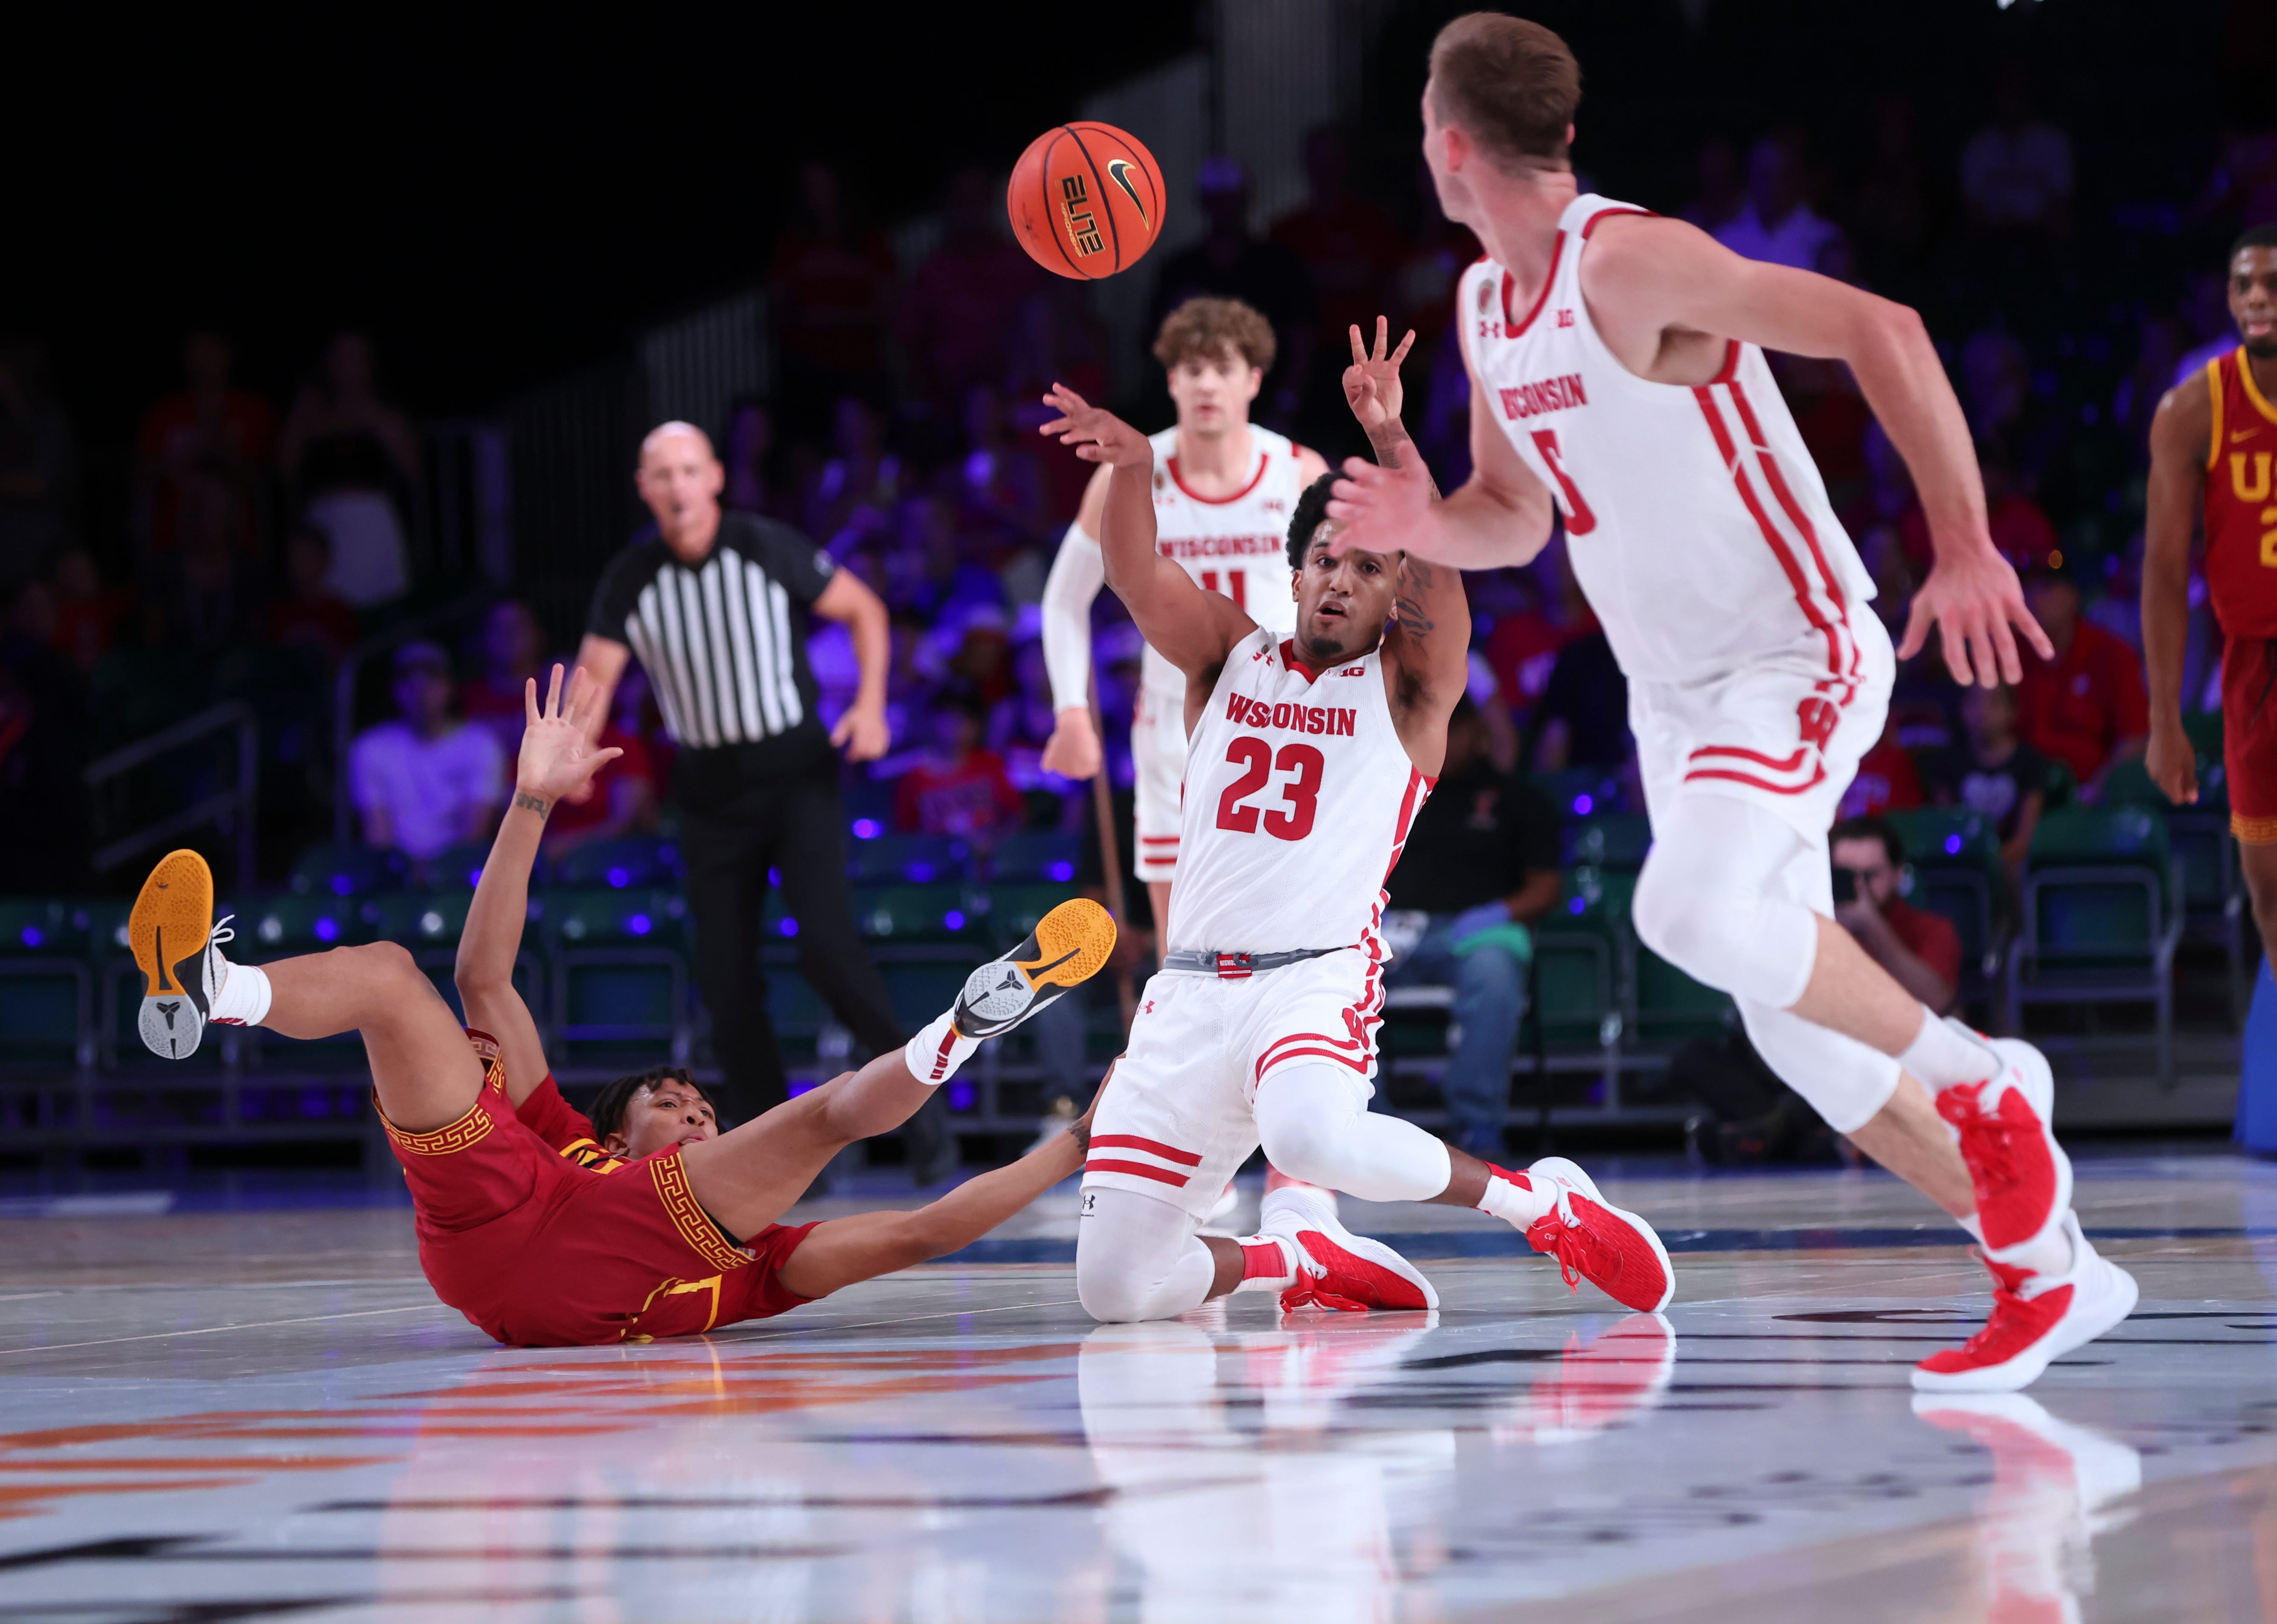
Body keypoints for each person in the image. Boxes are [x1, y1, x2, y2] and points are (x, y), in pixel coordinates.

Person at [1324, 13, 2133, 1392]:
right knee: (1787, 1021)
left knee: (1684, 914)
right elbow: (1514, 516)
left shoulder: (1629, 261)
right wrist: (1416, 502)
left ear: (1449, 146)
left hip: (1792, 651)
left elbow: (1879, 324)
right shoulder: (1478, 308)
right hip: (1671, 694)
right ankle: (2049, 1267)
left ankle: (1987, 1082)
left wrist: (1959, 541)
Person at [119, 669, 1123, 1346]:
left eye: (700, 1109)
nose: (692, 1106)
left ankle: (956, 1028)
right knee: (388, 970)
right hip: (497, 1223)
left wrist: (1072, 1144)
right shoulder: (550, 1129)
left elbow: (919, 1232)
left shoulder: (759, 1255)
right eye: (675, 1099)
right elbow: (482, 971)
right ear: (613, 1120)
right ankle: (213, 990)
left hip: (623, 1253)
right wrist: (533, 799)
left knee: (822, 1112)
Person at [1036, 319, 1675, 1326]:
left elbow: (1443, 597)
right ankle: (1294, 1259)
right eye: (1327, 561)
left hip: (1309, 972)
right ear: (1294, 575)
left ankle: (1542, 1202)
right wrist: (1128, 470)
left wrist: (1390, 444)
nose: (1340, 577)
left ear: (1394, 598)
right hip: (1188, 992)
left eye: (1371, 569)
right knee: (1113, 1288)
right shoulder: (1223, 653)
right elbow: (1131, 575)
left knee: (1312, 1140)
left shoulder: (1409, 690)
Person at [571, 424, 927, 1149]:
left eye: (689, 471)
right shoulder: (631, 578)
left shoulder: (764, 544)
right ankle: (769, 1146)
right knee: (725, 977)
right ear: (645, 488)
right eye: (662, 474)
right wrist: (572, 750)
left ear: (715, 478)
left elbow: (865, 608)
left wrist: (868, 703)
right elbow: (594, 682)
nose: (676, 487)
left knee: (830, 951)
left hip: (796, 773)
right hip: (708, 790)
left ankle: (927, 1121)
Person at [1039, 298, 1330, 935]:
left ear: (1253, 380)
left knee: (1286, 934)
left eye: (1222, 367)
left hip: (1286, 721)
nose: (1205, 383)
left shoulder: (1299, 473)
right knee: (1184, 947)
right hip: (1174, 726)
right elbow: (1064, 599)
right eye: (1191, 369)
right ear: (1170, 379)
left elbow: (1354, 598)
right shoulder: (1132, 473)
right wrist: (1070, 711)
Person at [2145, 223, 2277, 1146]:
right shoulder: (2192, 409)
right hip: (2251, 664)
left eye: (2270, 283)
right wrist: (2162, 720)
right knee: (2265, 881)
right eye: (2242, 284)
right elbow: (2160, 571)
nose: (2256, 298)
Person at [1380, 693, 1564, 1155]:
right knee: (1333, 972)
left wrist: (1495, 915)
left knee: (1495, 970)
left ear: (1479, 731)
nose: (1445, 736)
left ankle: (1476, 1126)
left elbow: (1545, 887)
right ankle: (1364, 1126)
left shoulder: (1518, 798)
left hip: (1475, 935)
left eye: (1456, 725)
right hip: (1390, 929)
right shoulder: (1390, 788)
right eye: (1437, 722)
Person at [1147, 160, 1319, 428]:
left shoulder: (1280, 265)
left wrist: (1287, 402)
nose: (1225, 209)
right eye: (1217, 200)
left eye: (1231, 200)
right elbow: (1156, 344)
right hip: (1198, 405)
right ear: (1203, 203)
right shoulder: (1180, 270)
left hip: (1268, 404)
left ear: (1246, 200)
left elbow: (1302, 338)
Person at [279, 333, 418, 610]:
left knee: (380, 603)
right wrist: (300, 419)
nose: (348, 366)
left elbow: (412, 470)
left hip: (372, 520)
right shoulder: (312, 413)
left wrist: (383, 428)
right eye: (341, 358)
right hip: (325, 524)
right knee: (328, 602)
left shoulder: (385, 413)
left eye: (356, 358)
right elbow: (284, 468)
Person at [348, 641, 506, 868]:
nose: (420, 687)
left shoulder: (482, 744)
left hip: (461, 873)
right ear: (394, 690)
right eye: (408, 679)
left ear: (450, 686)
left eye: (432, 677)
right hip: (396, 875)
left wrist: (438, 873)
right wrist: (403, 873)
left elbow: (474, 836)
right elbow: (379, 837)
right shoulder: (370, 747)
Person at [2014, 559, 2149, 798]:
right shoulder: (2010, 655)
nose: (2034, 597)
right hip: (2022, 796)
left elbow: (2135, 740)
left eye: (2047, 588)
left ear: (2073, 597)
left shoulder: (2112, 654)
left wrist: (2092, 792)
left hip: (2093, 801)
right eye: (2028, 588)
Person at [1831, 815, 1961, 1017]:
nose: (1859, 887)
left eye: (1870, 875)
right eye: (1845, 876)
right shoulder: (1814, 927)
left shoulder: (1932, 929)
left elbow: (1938, 1004)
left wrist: (1870, 923)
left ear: (1898, 874)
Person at [1921, 681, 2050, 877]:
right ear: (1962, 709)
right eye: (1974, 702)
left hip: (2013, 864)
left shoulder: (2030, 762)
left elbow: (2025, 838)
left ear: (2013, 711)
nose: (1983, 711)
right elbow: (1947, 828)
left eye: (1995, 703)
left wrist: (1995, 861)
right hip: (1965, 861)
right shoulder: (1947, 763)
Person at [894, 695, 1025, 843]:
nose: (955, 727)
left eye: (964, 719)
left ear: (977, 726)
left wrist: (996, 845)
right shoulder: (913, 778)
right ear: (932, 720)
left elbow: (1016, 815)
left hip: (989, 857)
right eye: (948, 718)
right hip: (935, 859)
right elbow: (905, 833)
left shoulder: (991, 765)